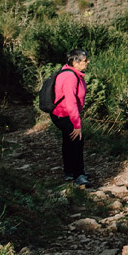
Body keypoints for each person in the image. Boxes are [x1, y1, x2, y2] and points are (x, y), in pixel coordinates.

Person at [50, 49, 90, 186]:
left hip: (61, 114)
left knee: (68, 140)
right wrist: (77, 125)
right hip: (64, 115)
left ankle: (69, 172)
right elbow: (70, 102)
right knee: (77, 140)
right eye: (85, 60)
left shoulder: (70, 72)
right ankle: (79, 176)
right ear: (75, 62)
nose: (87, 62)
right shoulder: (70, 77)